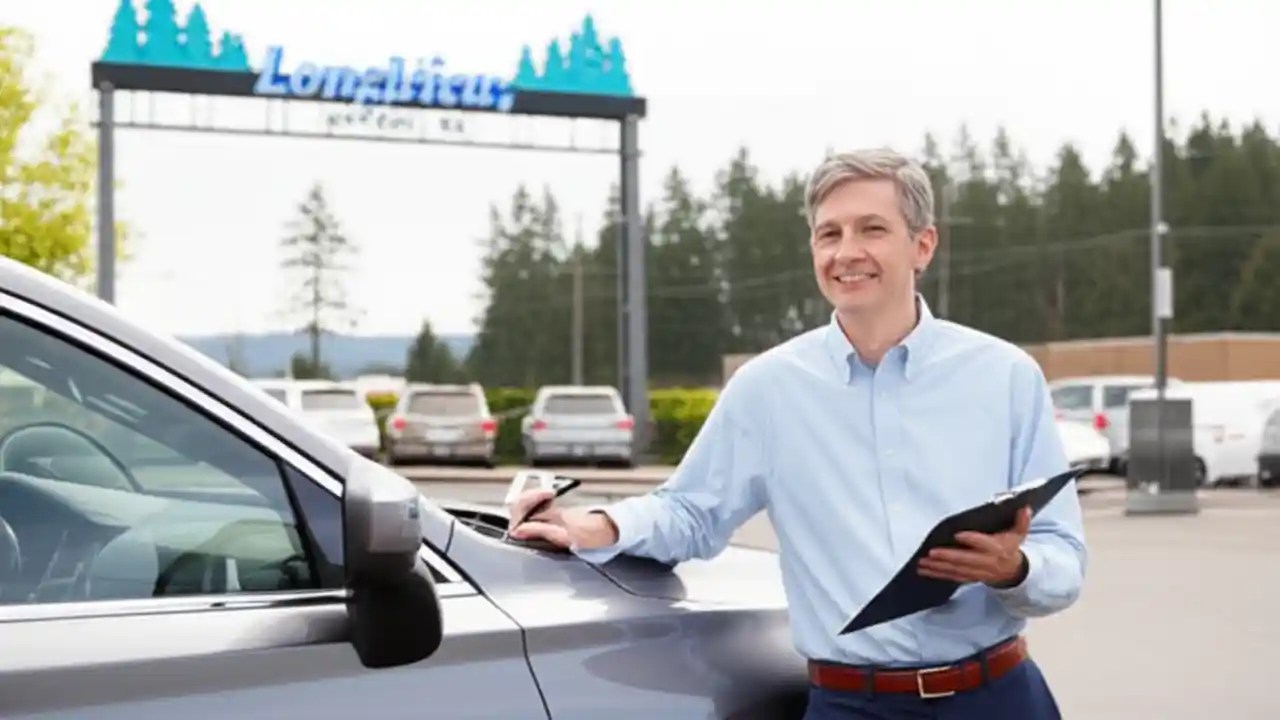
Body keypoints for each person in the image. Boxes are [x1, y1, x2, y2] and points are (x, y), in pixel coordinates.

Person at [506, 147, 1086, 719]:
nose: (847, 252)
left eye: (872, 229)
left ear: (923, 245)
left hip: (999, 697)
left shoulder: (1005, 377)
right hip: (852, 706)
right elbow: (690, 512)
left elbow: (1062, 555)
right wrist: (590, 526)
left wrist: (1013, 569)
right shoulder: (768, 388)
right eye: (829, 233)